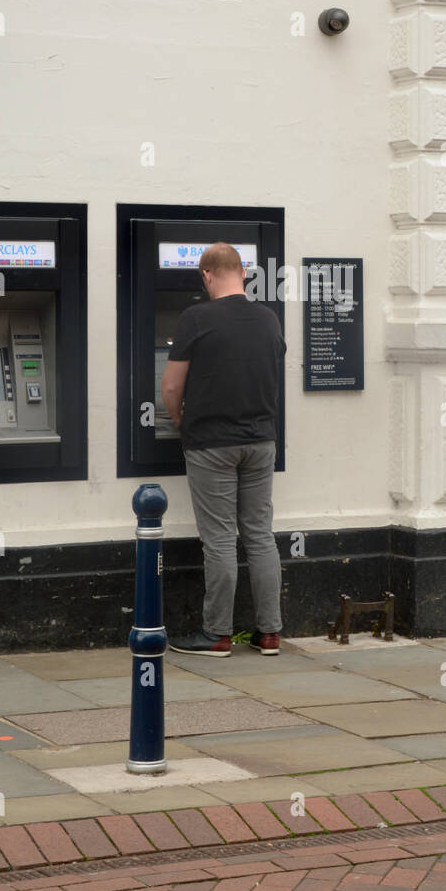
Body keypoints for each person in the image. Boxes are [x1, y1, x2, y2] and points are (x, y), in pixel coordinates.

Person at [160, 242, 287, 657]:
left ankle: (217, 634)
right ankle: (269, 634)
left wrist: (179, 420)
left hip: (212, 443)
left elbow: (171, 386)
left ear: (206, 275)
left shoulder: (196, 317)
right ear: (244, 273)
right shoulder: (269, 319)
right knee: (260, 535)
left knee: (219, 540)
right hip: (261, 441)